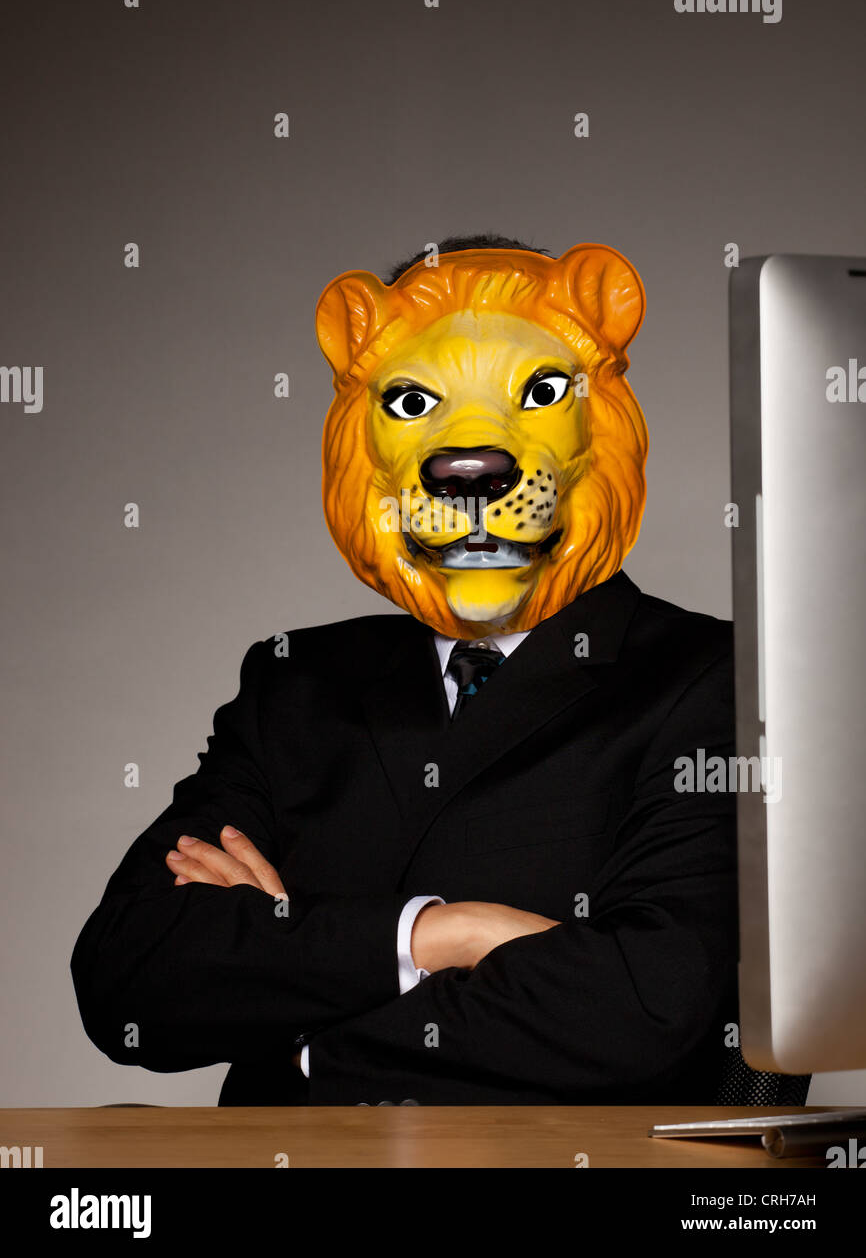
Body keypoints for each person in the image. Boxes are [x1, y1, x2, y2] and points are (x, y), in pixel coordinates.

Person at [71, 234, 738, 1105]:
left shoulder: (709, 678)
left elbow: (646, 1006)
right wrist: (439, 935)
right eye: (415, 399)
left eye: (538, 394)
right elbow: (128, 971)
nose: (472, 461)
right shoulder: (296, 681)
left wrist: (299, 1026)